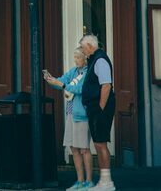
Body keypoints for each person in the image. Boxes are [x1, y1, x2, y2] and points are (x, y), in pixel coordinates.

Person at [43, 48, 93, 190]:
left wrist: (63, 85)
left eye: (78, 57)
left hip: (82, 115)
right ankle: (80, 181)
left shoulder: (88, 73)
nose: (75, 60)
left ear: (85, 59)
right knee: (73, 148)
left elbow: (78, 89)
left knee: (84, 148)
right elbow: (61, 81)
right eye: (74, 57)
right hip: (70, 113)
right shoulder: (73, 71)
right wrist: (50, 79)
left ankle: (89, 182)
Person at [79, 34, 116, 191]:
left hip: (100, 108)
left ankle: (107, 183)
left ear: (89, 46)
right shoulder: (94, 59)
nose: (81, 50)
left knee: (101, 144)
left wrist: (100, 108)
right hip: (95, 107)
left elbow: (106, 85)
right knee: (98, 143)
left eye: (82, 47)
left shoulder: (100, 59)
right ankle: (104, 181)